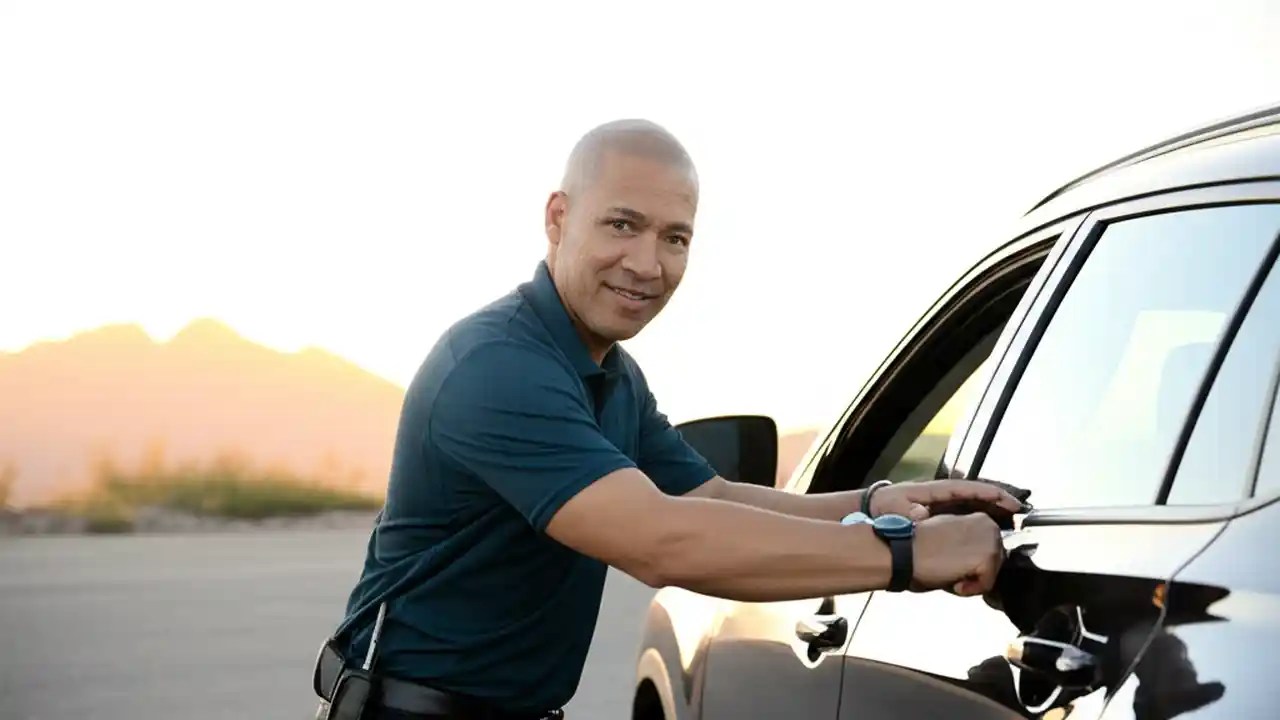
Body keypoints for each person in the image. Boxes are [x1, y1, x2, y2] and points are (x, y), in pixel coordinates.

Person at [314, 119, 1028, 720]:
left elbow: (706, 498)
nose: (648, 264)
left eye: (674, 238)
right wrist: (905, 558)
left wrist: (875, 508)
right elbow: (663, 543)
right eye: (622, 225)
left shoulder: (609, 375)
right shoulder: (497, 367)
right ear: (558, 219)